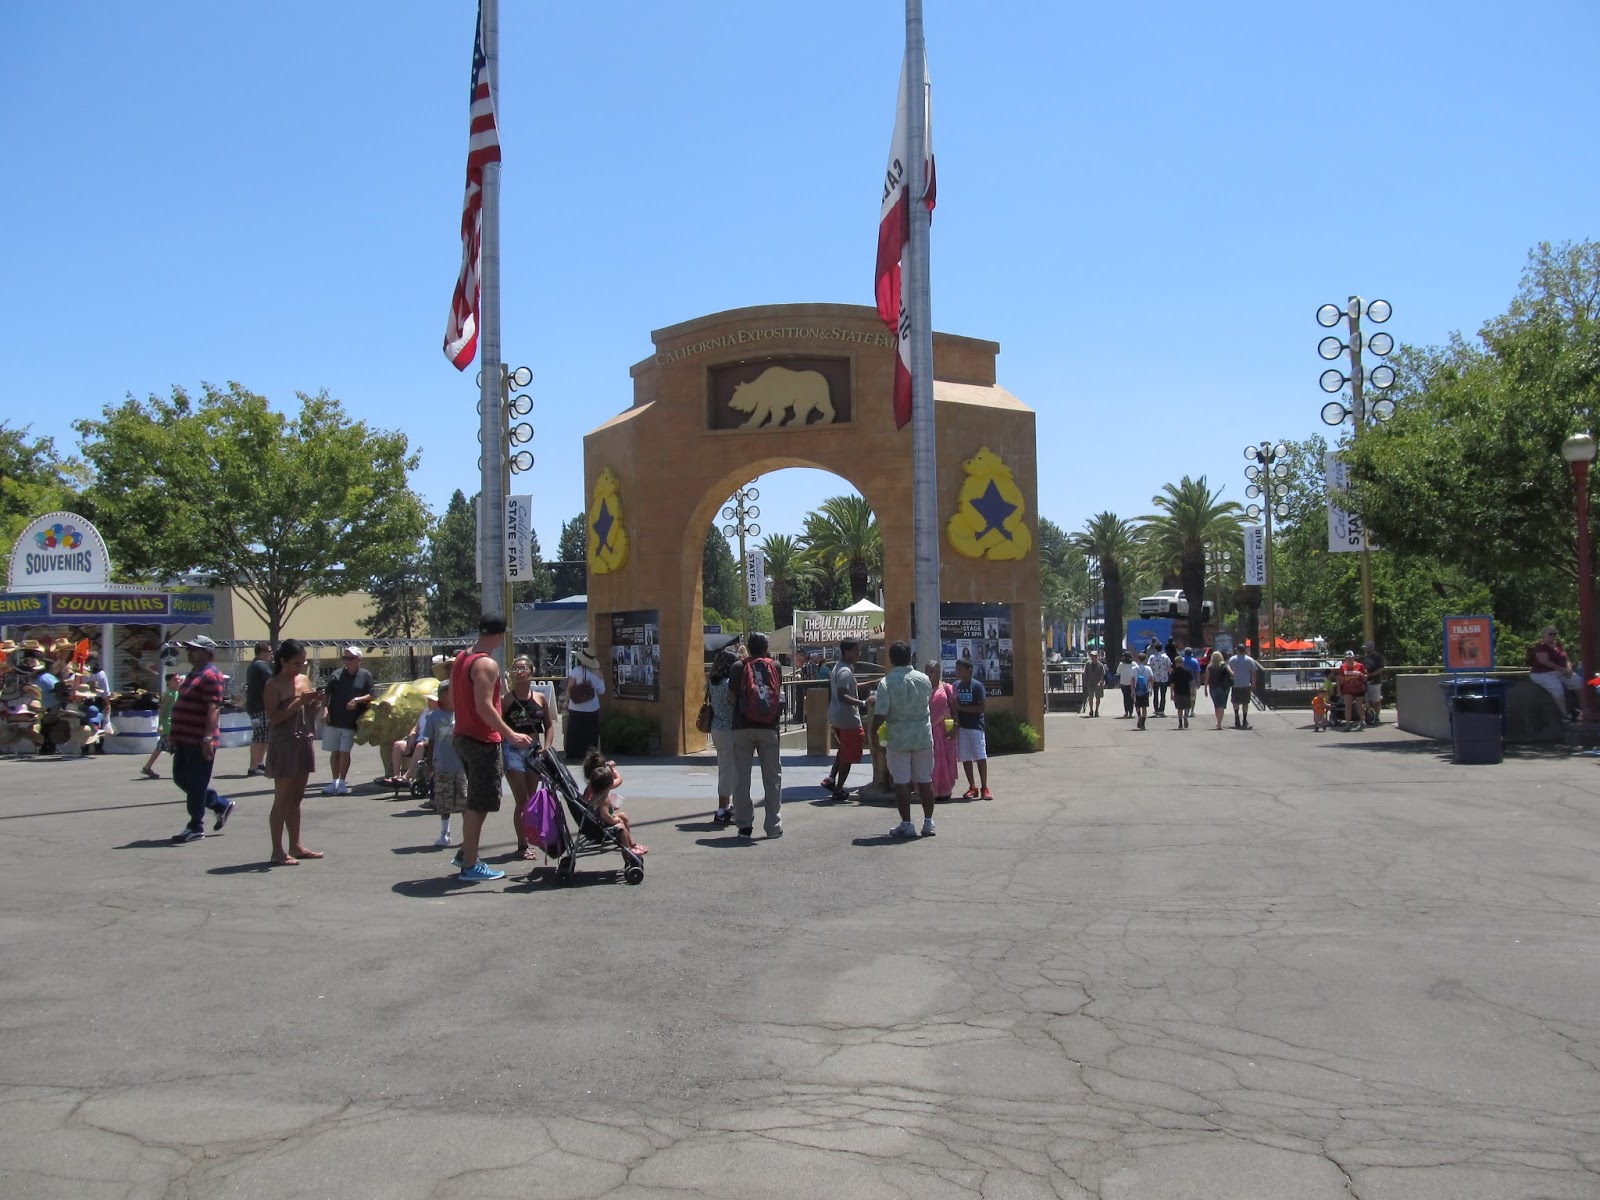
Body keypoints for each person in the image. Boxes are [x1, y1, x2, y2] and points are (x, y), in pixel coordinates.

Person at [451, 615, 534, 883]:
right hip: (481, 740)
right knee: (479, 802)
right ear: (500, 635)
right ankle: (470, 865)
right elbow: (484, 707)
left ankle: (467, 854)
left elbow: (462, 698)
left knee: (478, 800)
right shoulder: (487, 664)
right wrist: (511, 734)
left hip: (463, 735)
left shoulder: (463, 658)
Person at [167, 635, 237, 843]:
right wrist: (174, 735)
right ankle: (219, 804)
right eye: (189, 649)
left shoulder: (211, 676)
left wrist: (208, 738)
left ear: (208, 653)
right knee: (181, 778)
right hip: (184, 738)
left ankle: (195, 825)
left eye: (195, 650)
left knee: (196, 782)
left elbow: (213, 708)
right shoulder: (193, 674)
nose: (190, 653)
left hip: (199, 739)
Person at [262, 638, 322, 865]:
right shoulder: (273, 685)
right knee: (282, 797)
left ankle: (295, 845)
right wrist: (298, 703)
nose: (299, 667)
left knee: (297, 797)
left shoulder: (304, 679)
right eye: (295, 663)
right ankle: (277, 850)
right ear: (282, 661)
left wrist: (314, 704)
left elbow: (310, 713)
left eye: (302, 663)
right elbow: (275, 718)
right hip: (284, 742)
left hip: (303, 740)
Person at [875, 640, 935, 837]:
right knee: (925, 781)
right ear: (910, 657)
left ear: (891, 659)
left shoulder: (886, 683)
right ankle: (928, 822)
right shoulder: (924, 679)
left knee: (902, 782)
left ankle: (907, 823)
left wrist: (873, 736)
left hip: (898, 738)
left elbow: (880, 715)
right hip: (922, 736)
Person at [728, 631, 784, 839]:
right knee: (772, 777)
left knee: (741, 778)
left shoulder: (738, 666)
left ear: (749, 647)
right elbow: (777, 693)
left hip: (742, 726)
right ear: (766, 647)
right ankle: (773, 827)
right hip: (769, 728)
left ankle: (744, 826)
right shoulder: (775, 666)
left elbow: (733, 694)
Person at [503, 654, 556, 860]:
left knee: (532, 798)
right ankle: (522, 844)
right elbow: (499, 726)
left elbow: (549, 725)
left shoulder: (540, 698)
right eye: (515, 669)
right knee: (522, 800)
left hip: (534, 751)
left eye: (523, 668)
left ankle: (534, 837)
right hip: (513, 751)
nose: (519, 672)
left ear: (531, 672)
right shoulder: (506, 700)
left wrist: (547, 746)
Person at [321, 646, 374, 795]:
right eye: (345, 658)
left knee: (345, 751)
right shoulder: (336, 675)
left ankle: (342, 782)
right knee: (334, 751)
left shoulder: (365, 675)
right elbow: (327, 695)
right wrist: (324, 710)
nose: (347, 661)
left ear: (358, 660)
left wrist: (357, 700)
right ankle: (334, 781)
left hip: (351, 720)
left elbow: (371, 695)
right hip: (334, 718)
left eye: (350, 658)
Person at [822, 638, 869, 801]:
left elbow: (852, 688)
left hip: (836, 716)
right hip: (847, 718)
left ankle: (832, 779)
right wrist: (863, 702)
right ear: (846, 652)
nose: (858, 654)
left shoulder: (841, 668)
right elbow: (843, 695)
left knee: (843, 749)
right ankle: (839, 789)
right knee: (849, 754)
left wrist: (873, 683)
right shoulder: (844, 671)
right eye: (855, 651)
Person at [424, 681, 466, 849]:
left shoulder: (463, 714)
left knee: (465, 801)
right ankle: (445, 832)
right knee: (443, 801)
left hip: (461, 764)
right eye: (449, 693)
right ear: (441, 696)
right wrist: (429, 763)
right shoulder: (434, 716)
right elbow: (431, 741)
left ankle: (467, 834)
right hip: (441, 763)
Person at [582, 749, 646, 856]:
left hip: (595, 820)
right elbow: (604, 814)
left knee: (623, 816)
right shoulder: (604, 797)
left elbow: (589, 803)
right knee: (620, 825)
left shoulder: (592, 788)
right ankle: (628, 850)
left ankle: (631, 843)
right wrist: (613, 769)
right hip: (602, 823)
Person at [707, 644, 745, 824]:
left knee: (724, 767)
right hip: (730, 729)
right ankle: (722, 809)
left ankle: (726, 806)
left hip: (716, 728)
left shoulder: (713, 683)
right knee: (730, 771)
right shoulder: (729, 685)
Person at [953, 656, 991, 800]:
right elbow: (953, 705)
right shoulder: (955, 686)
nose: (957, 672)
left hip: (976, 727)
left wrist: (962, 707)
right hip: (962, 728)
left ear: (969, 671)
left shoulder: (977, 686)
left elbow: (981, 708)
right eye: (956, 669)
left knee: (980, 756)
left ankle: (984, 787)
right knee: (965, 757)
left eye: (960, 670)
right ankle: (972, 787)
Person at [1526, 625, 1581, 721]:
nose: (1553, 636)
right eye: (1550, 634)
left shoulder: (1558, 646)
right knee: (1556, 687)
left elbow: (1566, 658)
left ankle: (1581, 708)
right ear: (1543, 635)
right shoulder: (1540, 647)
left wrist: (1569, 668)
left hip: (1560, 671)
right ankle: (1565, 714)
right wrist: (1562, 669)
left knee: (1578, 681)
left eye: (1554, 634)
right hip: (1542, 673)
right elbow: (1546, 662)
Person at [925, 659, 959, 804]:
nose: (929, 674)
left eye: (932, 671)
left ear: (938, 672)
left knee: (946, 760)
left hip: (945, 729)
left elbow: (954, 707)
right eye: (927, 671)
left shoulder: (946, 688)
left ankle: (944, 790)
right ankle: (929, 790)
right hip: (927, 729)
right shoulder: (922, 688)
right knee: (929, 761)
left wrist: (956, 726)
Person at [563, 648, 606, 762]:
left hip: (575, 706)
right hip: (592, 707)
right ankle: (591, 755)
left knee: (575, 731)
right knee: (591, 732)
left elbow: (569, 688)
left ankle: (574, 754)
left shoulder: (577, 670)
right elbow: (602, 691)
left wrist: (566, 702)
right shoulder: (599, 673)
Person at [384, 699, 433, 788]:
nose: (429, 702)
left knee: (420, 746)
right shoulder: (425, 712)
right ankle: (395, 776)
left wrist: (425, 740)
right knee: (397, 745)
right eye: (429, 700)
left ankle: (407, 777)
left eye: (431, 700)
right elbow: (415, 728)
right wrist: (412, 736)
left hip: (429, 743)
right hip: (418, 740)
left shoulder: (439, 714)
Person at [141, 672, 182, 779]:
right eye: (175, 680)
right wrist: (160, 725)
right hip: (168, 725)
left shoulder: (176, 693)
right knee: (178, 748)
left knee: (160, 747)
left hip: (174, 724)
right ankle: (181, 771)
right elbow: (162, 710)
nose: (178, 681)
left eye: (178, 679)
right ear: (169, 682)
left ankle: (147, 767)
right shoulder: (169, 694)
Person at [243, 641, 273, 777]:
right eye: (269, 652)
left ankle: (259, 763)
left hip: (256, 707)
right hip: (260, 707)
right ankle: (254, 766)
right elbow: (271, 683)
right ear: (262, 652)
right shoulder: (261, 666)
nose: (271, 655)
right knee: (259, 736)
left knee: (264, 735)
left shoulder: (254, 666)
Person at [1227, 647, 1261, 730]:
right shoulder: (1249, 660)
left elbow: (1228, 668)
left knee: (1235, 701)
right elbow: (1253, 673)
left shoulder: (1232, 659)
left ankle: (1236, 716)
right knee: (1245, 702)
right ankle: (1244, 719)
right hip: (1246, 684)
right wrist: (1254, 683)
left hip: (1235, 684)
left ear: (1238, 650)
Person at [1336, 650, 1368, 731]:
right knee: (1348, 706)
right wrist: (1339, 691)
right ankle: (1347, 724)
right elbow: (1339, 680)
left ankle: (1362, 721)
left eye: (1350, 658)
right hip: (1347, 689)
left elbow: (1365, 677)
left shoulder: (1360, 666)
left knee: (1359, 706)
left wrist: (1361, 675)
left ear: (1353, 658)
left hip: (1358, 688)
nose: (1348, 660)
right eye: (1347, 658)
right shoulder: (1343, 667)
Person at [1206, 651, 1233, 731]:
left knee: (1216, 705)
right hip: (1223, 687)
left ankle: (1218, 721)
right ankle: (1219, 723)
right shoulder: (1225, 665)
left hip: (1213, 687)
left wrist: (1205, 689)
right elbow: (1232, 674)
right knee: (1221, 706)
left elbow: (1206, 679)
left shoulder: (1210, 666)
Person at [1361, 640, 1386, 725]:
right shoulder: (1366, 657)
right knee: (1369, 700)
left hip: (1376, 681)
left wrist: (1371, 674)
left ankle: (1377, 716)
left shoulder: (1377, 657)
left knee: (1376, 700)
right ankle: (1371, 715)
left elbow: (1381, 668)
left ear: (1371, 648)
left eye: (1367, 648)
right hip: (1367, 681)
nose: (1366, 650)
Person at [1169, 649, 1195, 730]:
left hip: (1177, 691)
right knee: (1187, 705)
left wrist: (1171, 693)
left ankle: (1180, 723)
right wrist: (1192, 690)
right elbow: (1191, 681)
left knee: (1179, 708)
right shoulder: (1187, 671)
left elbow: (1172, 684)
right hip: (1186, 691)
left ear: (1176, 663)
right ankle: (1185, 716)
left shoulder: (1174, 672)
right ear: (1182, 662)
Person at [1130, 652, 1154, 730]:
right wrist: (1151, 689)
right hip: (1145, 690)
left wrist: (1132, 690)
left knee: (1137, 705)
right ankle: (1143, 722)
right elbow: (1151, 679)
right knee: (1144, 707)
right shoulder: (1148, 668)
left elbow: (1132, 680)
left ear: (1138, 659)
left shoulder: (1134, 668)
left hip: (1137, 690)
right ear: (1145, 660)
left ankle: (1139, 715)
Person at [1147, 643, 1171, 716]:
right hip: (1164, 678)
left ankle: (1156, 709)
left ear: (1155, 649)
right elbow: (1169, 666)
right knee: (1163, 695)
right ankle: (1161, 710)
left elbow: (1149, 666)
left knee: (1155, 694)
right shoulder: (1166, 657)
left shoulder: (1152, 657)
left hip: (1155, 678)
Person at [1180, 647, 1203, 725]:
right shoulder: (1195, 661)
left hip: (1183, 681)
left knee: (1184, 696)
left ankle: (1184, 710)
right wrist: (1199, 681)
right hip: (1192, 682)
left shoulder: (1182, 661)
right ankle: (1192, 711)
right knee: (1193, 697)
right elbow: (1198, 672)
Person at [1081, 651, 1105, 717]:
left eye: (1094, 656)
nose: (1093, 657)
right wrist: (1085, 681)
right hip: (1090, 683)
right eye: (1092, 656)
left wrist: (1101, 682)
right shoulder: (1088, 664)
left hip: (1098, 683)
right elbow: (1085, 673)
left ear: (1097, 656)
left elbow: (1102, 674)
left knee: (1098, 698)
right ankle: (1091, 710)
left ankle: (1096, 710)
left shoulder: (1100, 665)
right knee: (1090, 697)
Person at [1116, 651, 1136, 718]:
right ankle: (1131, 712)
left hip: (1123, 683)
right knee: (1131, 698)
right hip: (1132, 683)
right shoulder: (1134, 664)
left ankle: (1126, 712)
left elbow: (1118, 672)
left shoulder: (1121, 664)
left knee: (1125, 698)